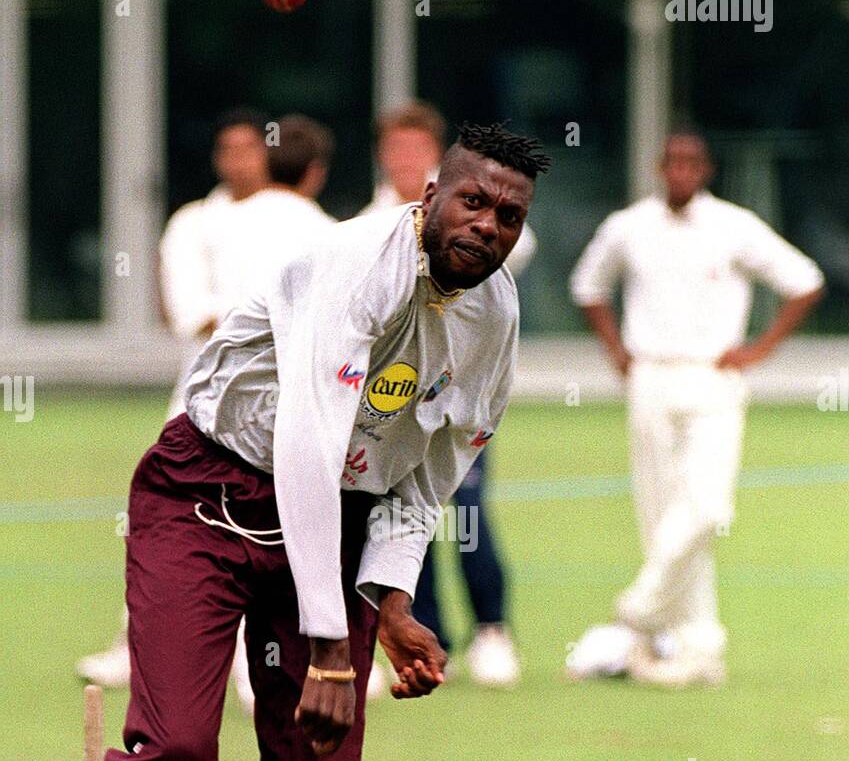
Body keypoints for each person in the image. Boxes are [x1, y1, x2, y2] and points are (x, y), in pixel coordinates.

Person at [37, 123, 550, 761]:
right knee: (180, 747)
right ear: (430, 191)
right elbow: (310, 450)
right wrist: (330, 641)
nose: (487, 225)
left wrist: (393, 595)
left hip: (342, 526)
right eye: (473, 201)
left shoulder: (494, 315)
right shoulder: (353, 265)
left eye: (509, 215)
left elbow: (431, 468)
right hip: (205, 498)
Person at [75, 111, 336, 712]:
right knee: (172, 521)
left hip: (287, 403)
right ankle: (139, 643)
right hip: (202, 396)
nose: (240, 162)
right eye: (230, 150)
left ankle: (277, 661)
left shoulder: (316, 226)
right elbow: (191, 313)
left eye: (251, 150)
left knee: (277, 522)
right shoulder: (196, 223)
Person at [567, 130, 823, 687]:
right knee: (662, 516)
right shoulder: (629, 226)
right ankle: (698, 646)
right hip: (651, 376)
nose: (680, 172)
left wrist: (759, 350)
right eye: (672, 162)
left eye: (691, 163)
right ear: (660, 168)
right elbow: (588, 286)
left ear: (705, 169)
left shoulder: (733, 225)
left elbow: (804, 282)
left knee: (706, 507)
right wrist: (616, 351)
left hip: (714, 376)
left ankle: (634, 616)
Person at [364, 102, 536, 690]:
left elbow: (514, 247)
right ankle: (429, 632)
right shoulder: (372, 220)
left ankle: (492, 629)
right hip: (393, 404)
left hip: (459, 392)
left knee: (464, 508)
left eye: (416, 149)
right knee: (401, 518)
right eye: (396, 149)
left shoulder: (479, 204)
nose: (404, 160)